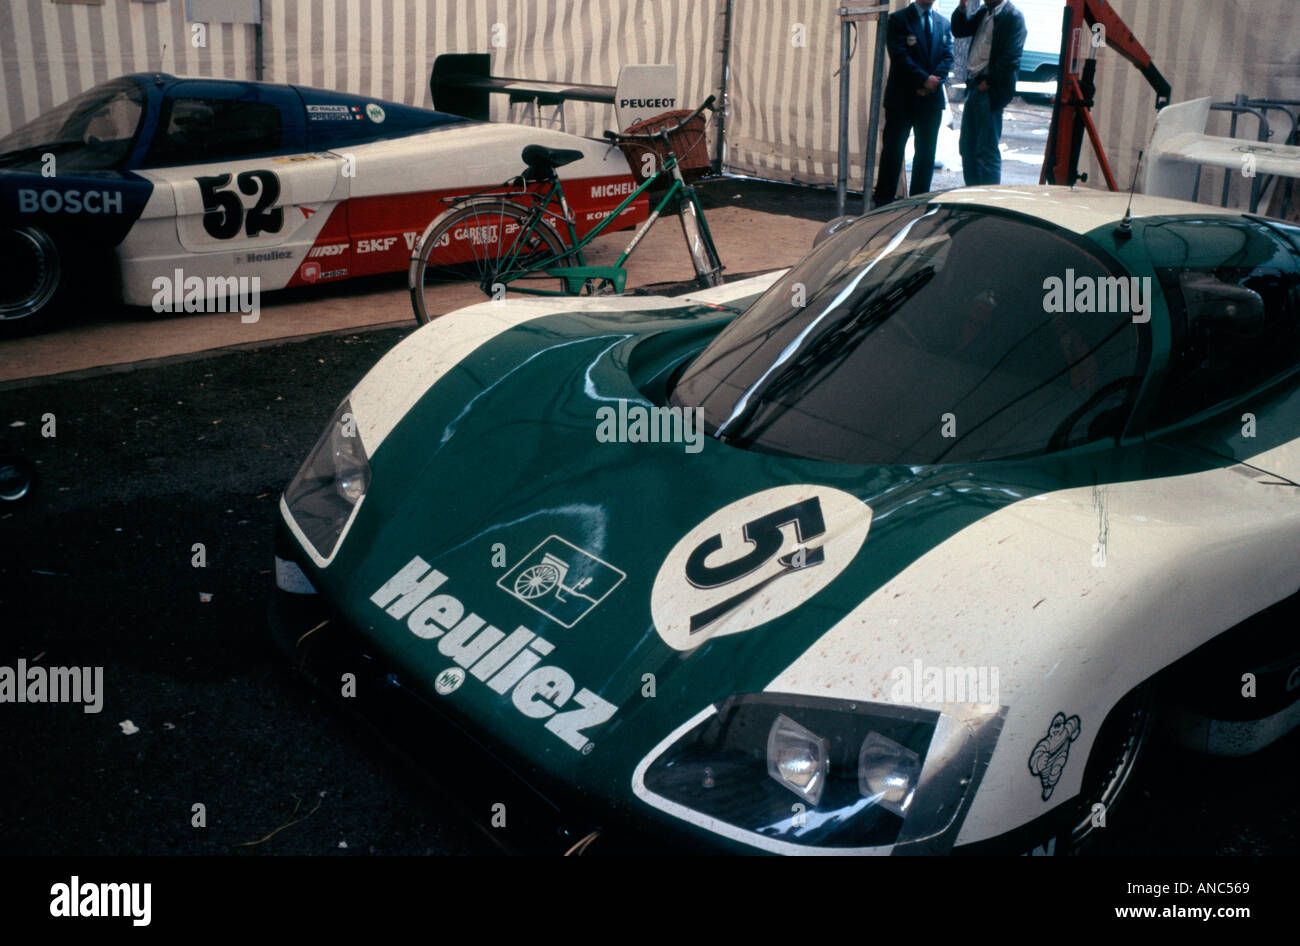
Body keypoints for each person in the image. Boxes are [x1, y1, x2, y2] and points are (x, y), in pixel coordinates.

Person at [873, 0, 954, 207]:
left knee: (926, 155)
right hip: (902, 98)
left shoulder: (943, 23)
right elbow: (899, 56)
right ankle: (883, 204)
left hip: (931, 101)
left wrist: (932, 83)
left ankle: (918, 204)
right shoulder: (898, 20)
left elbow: (947, 57)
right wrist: (922, 80)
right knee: (893, 151)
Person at [951, 0, 1027, 186]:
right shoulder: (984, 13)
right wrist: (962, 8)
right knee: (967, 147)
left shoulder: (1013, 17)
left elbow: (1011, 57)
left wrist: (989, 81)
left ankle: (986, 201)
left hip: (989, 88)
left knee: (986, 150)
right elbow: (959, 30)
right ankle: (974, 195)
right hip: (976, 85)